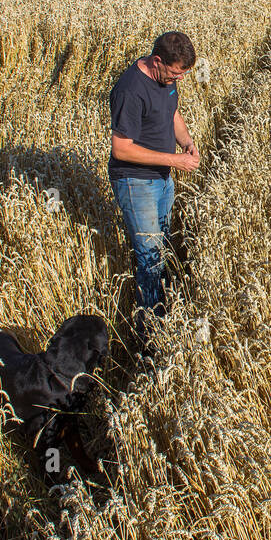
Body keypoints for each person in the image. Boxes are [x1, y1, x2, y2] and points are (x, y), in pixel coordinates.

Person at [109, 31, 200, 323]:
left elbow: (172, 114)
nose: (178, 80)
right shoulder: (130, 90)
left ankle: (162, 311)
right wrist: (175, 160)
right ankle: (150, 327)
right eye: (174, 74)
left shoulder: (167, 80)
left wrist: (186, 142)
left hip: (161, 179)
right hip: (137, 184)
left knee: (160, 248)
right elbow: (121, 149)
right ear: (157, 61)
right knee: (149, 258)